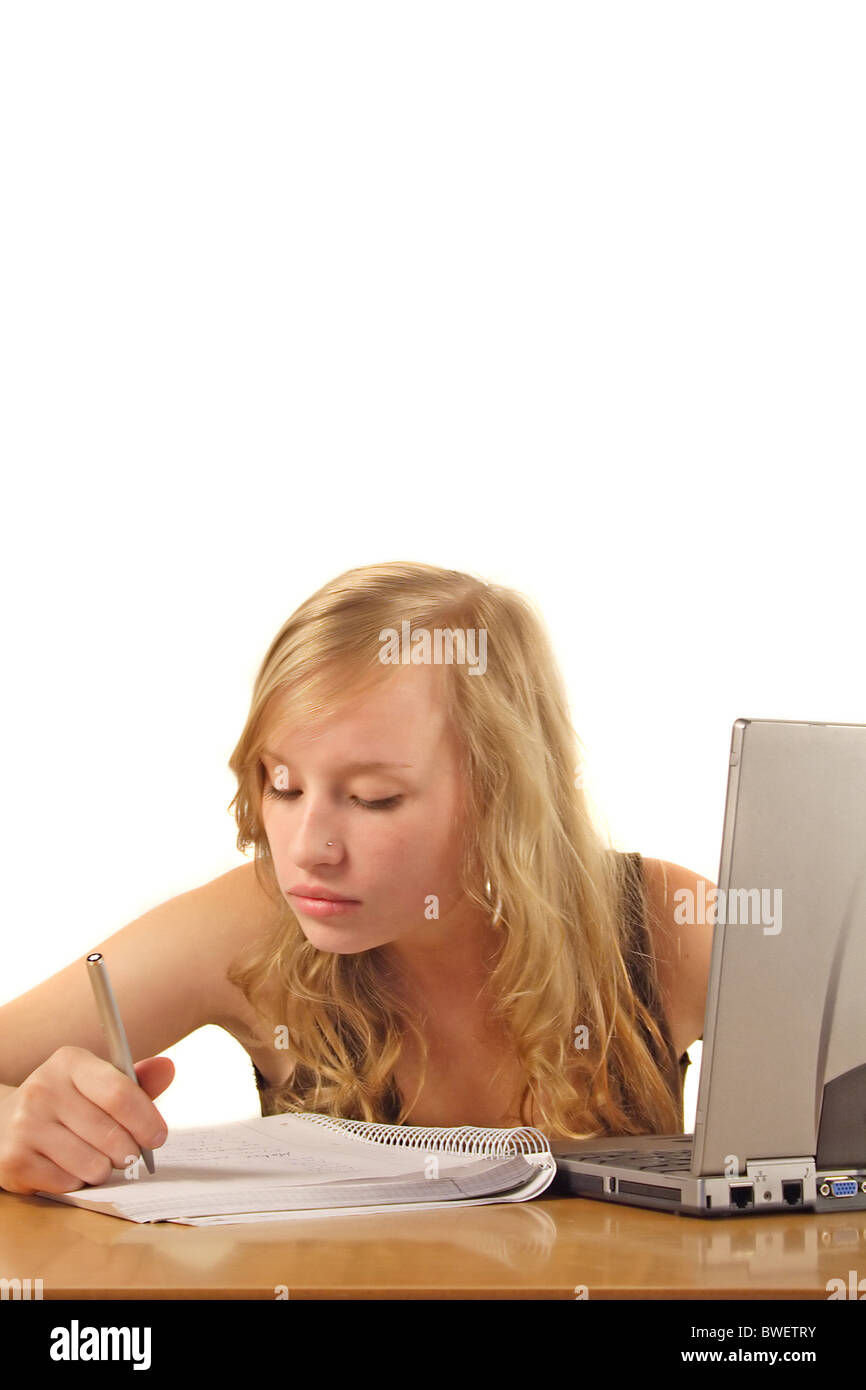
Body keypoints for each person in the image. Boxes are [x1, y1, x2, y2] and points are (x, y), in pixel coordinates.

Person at [0, 561, 714, 1195]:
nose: (308, 849)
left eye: (374, 798)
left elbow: (831, 1147)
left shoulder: (664, 926)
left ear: (506, 797)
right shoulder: (248, 925)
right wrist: (13, 1124)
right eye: (282, 785)